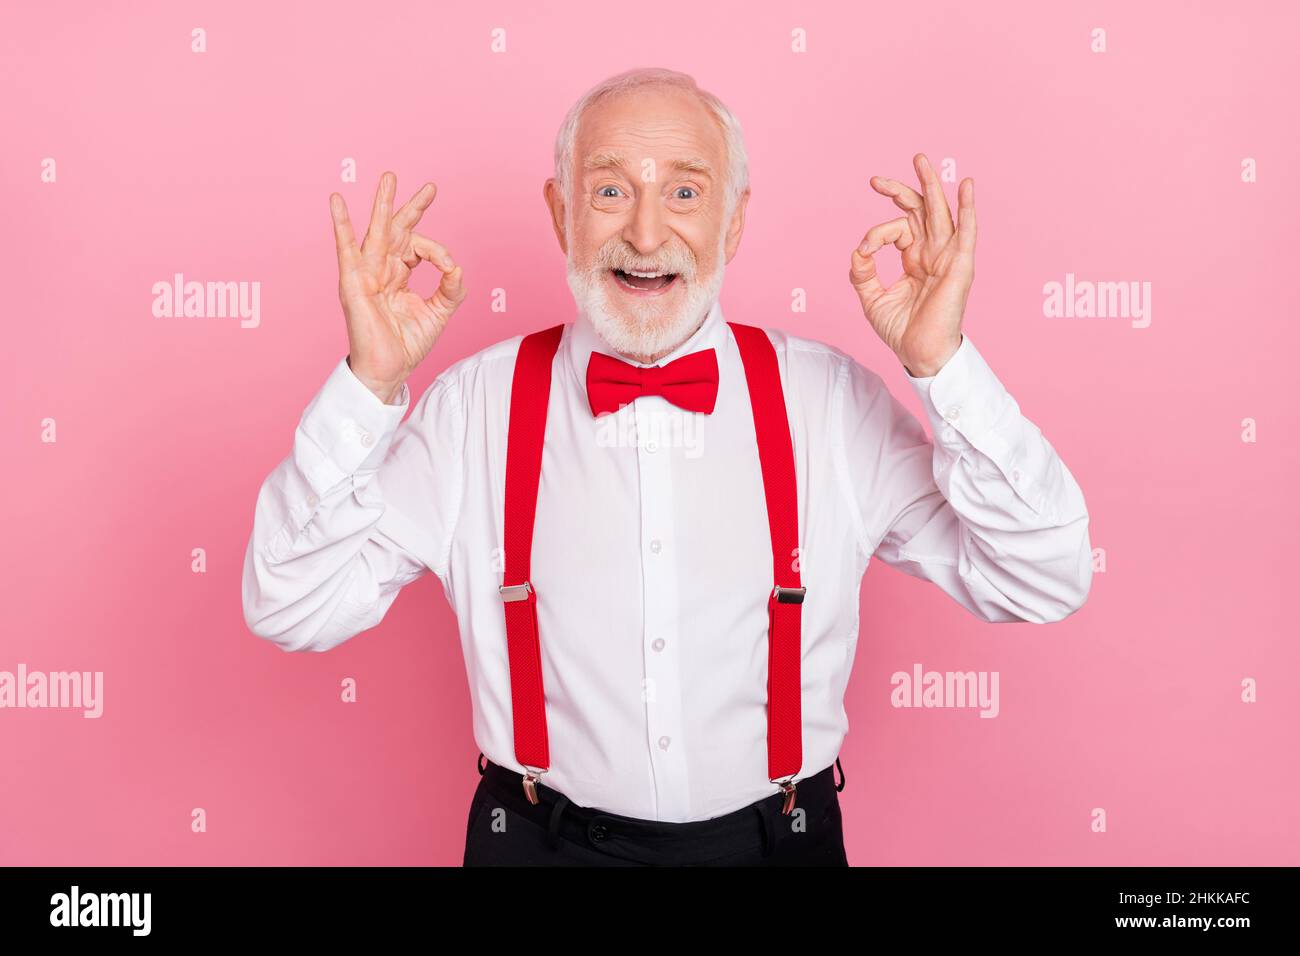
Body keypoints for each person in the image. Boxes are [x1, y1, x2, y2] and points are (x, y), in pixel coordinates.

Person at [241, 67, 1092, 867]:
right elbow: (288, 606)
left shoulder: (830, 402)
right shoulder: (473, 407)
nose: (646, 234)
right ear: (560, 213)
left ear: (734, 219)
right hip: (536, 843)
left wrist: (944, 366)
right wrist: (369, 386)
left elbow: (1042, 576)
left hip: (781, 844)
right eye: (610, 190)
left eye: (684, 191)